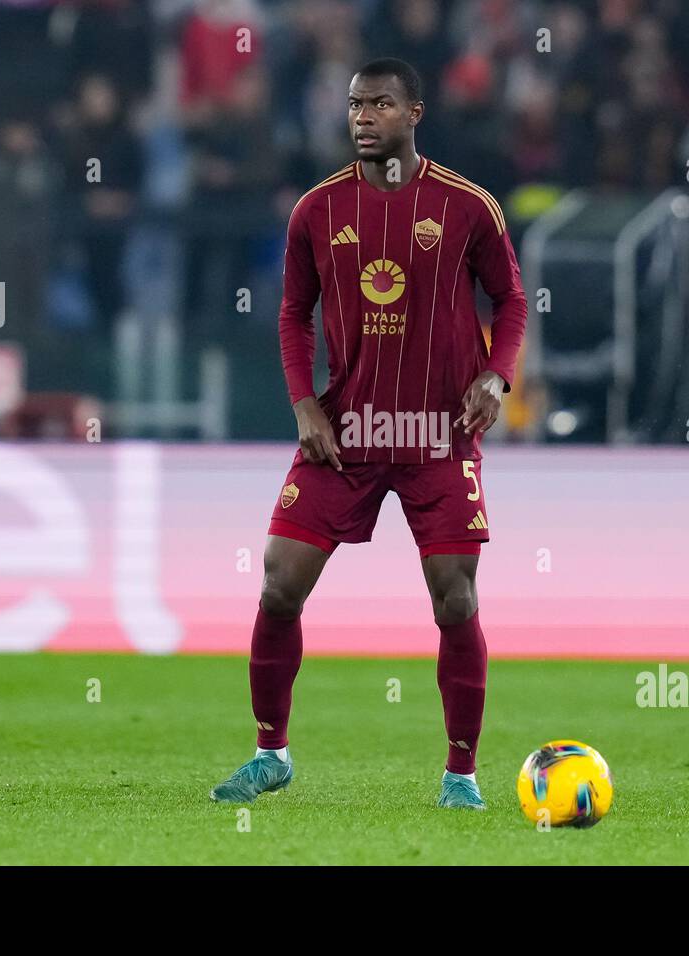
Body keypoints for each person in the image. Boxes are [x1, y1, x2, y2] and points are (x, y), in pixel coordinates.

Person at [210, 58, 528, 811]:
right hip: (345, 430)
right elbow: (292, 313)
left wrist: (497, 375)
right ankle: (270, 754)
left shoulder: (467, 206)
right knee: (279, 581)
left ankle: (460, 775)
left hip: (438, 433)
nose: (363, 117)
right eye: (356, 105)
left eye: (380, 104)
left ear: (414, 113)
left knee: (454, 600)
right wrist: (302, 403)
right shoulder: (317, 210)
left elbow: (511, 298)